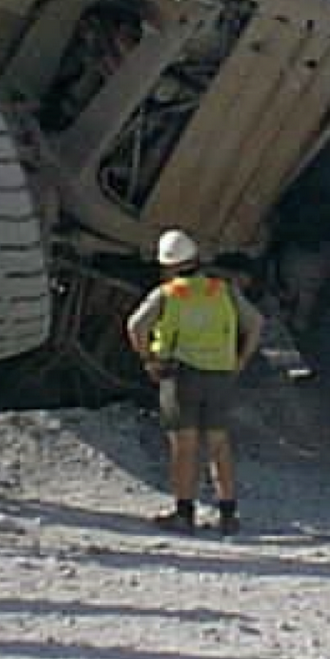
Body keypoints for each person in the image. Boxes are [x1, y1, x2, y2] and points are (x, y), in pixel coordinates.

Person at [126, 228, 265, 537]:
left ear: (168, 266)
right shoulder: (223, 289)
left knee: (184, 447)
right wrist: (240, 360)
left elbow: (135, 326)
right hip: (220, 376)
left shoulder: (167, 293)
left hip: (180, 376)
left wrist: (149, 358)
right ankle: (228, 515)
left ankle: (184, 514)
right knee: (219, 444)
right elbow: (256, 324)